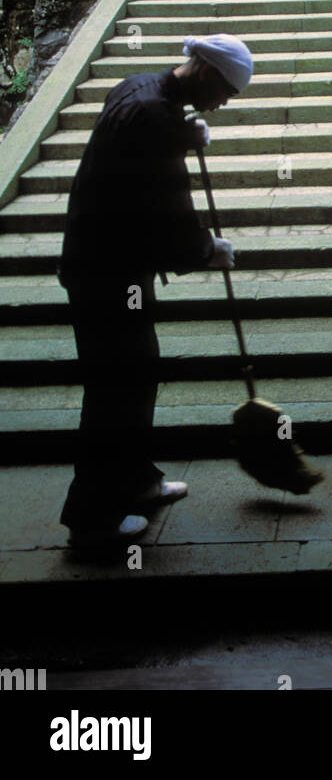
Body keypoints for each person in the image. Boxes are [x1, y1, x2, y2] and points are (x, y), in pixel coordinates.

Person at [58, 33, 253, 550]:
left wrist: (181, 137)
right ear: (208, 73)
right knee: (115, 388)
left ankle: (137, 480)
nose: (224, 104)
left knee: (137, 374)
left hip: (109, 264)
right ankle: (92, 521)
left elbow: (136, 164)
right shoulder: (154, 115)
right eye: (226, 93)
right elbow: (164, 208)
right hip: (107, 271)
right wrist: (205, 248)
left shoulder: (140, 89)